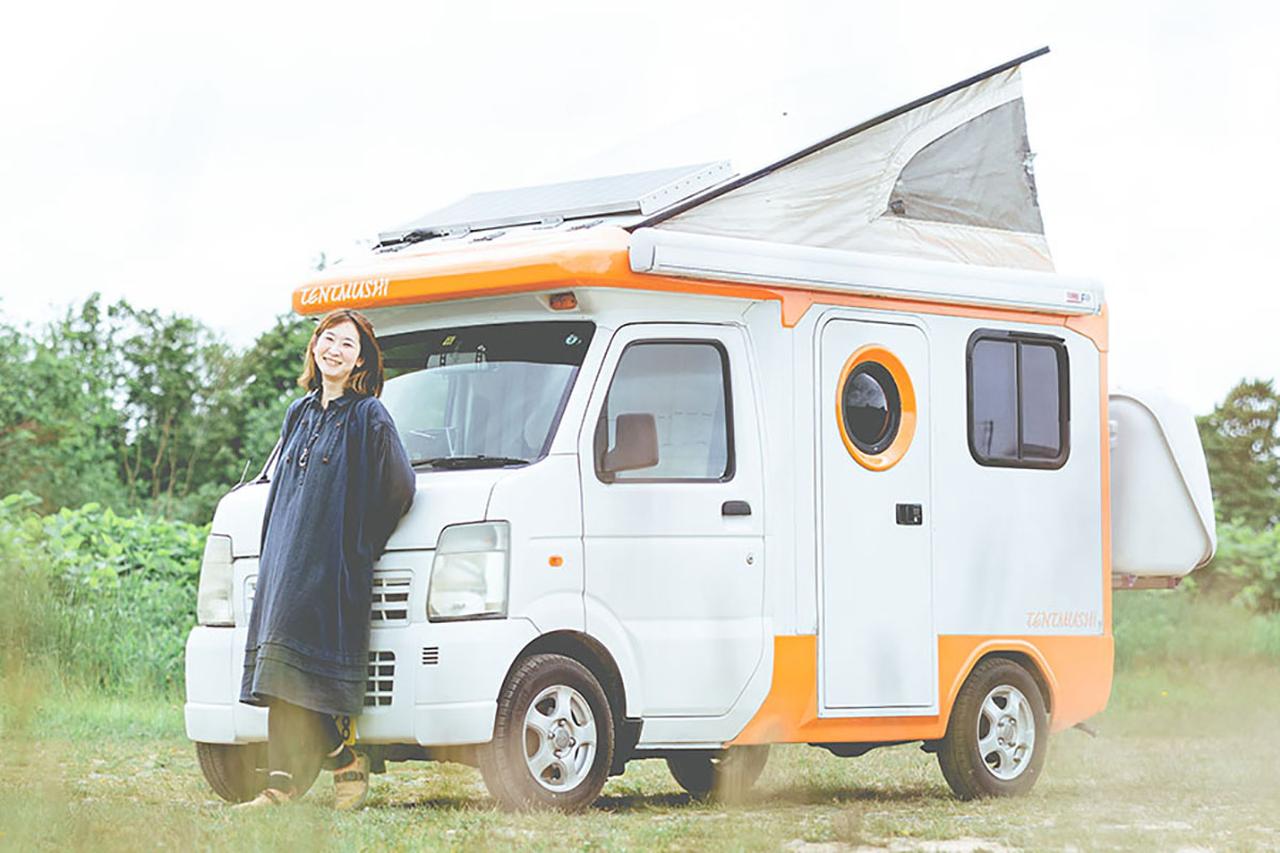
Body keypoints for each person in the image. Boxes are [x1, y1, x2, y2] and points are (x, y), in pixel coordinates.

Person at [236, 308, 415, 810]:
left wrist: (359, 542)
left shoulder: (369, 415)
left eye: (347, 344)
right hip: (284, 560)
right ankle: (295, 779)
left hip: (331, 565)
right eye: (328, 339)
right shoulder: (298, 412)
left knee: (296, 671)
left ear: (361, 361)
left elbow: (400, 487)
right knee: (277, 668)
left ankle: (334, 762)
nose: (335, 350)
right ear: (315, 347)